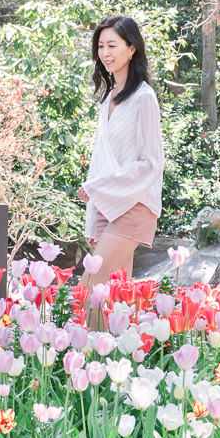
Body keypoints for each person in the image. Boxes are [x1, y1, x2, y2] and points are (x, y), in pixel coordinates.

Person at [77, 15, 164, 294]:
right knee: (114, 301)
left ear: (131, 48)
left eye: (112, 46)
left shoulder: (143, 97)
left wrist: (97, 187)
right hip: (107, 204)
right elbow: (99, 161)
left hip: (134, 205)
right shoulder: (108, 97)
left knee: (88, 292)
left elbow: (151, 163)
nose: (105, 53)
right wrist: (95, 216)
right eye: (101, 46)